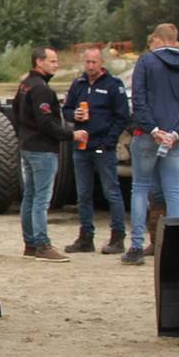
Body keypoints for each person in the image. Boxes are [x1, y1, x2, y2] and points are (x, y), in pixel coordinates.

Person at [123, 23, 179, 265]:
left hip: (147, 135)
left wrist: (154, 129)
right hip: (176, 139)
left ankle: (136, 246)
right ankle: (175, 247)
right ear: (175, 40)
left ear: (157, 40)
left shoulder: (146, 62)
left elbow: (138, 100)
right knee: (174, 191)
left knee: (140, 188)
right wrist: (177, 133)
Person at [62, 47, 131, 253]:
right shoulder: (78, 84)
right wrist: (75, 115)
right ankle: (86, 237)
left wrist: (109, 141)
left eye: (94, 62)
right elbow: (66, 110)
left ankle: (117, 238)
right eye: (87, 62)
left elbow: (122, 117)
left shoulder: (113, 85)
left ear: (102, 63)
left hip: (103, 146)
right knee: (83, 194)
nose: (90, 66)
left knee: (111, 192)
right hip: (81, 147)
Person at [12, 45, 73, 261]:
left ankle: (29, 244)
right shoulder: (42, 89)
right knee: (41, 198)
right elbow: (46, 122)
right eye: (53, 61)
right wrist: (71, 134)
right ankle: (42, 244)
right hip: (42, 149)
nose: (56, 65)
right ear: (39, 62)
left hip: (27, 146)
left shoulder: (25, 85)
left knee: (29, 195)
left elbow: (16, 112)